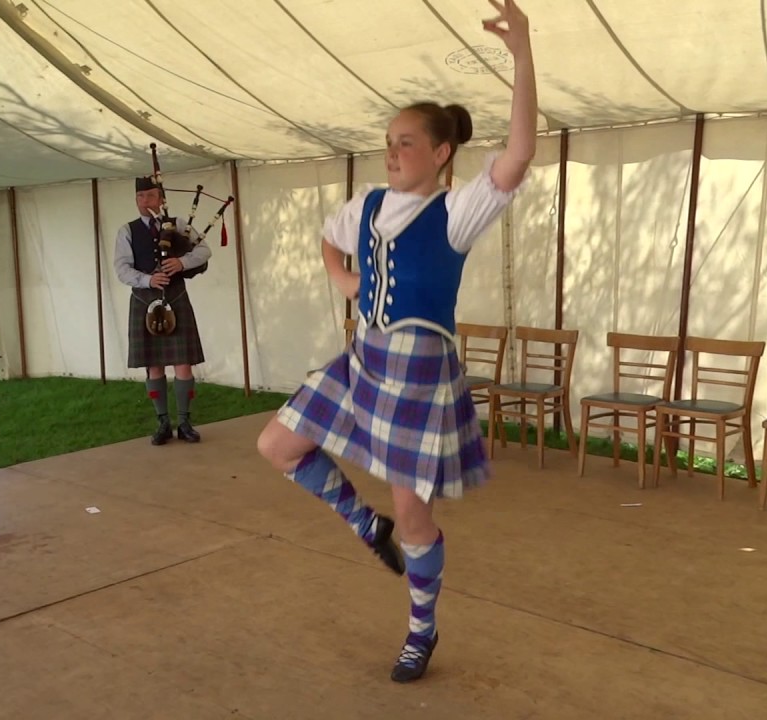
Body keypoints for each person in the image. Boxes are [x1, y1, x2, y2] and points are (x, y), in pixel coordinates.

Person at [255, 0, 537, 684]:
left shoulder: (457, 211)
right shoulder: (367, 207)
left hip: (419, 376)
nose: (392, 152)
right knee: (277, 445)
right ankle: (362, 524)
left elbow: (521, 150)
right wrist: (341, 279)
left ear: (441, 154)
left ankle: (421, 629)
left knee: (416, 516)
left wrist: (523, 51)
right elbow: (328, 236)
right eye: (388, 141)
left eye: (406, 142)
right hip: (365, 361)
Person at [113, 175, 213, 446]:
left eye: (150, 196)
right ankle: (163, 423)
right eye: (140, 197)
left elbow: (204, 250)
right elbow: (122, 268)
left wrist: (182, 262)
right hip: (145, 301)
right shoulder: (127, 231)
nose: (145, 202)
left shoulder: (178, 224)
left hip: (176, 296)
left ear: (161, 199)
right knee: (153, 364)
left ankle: (185, 422)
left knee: (183, 363)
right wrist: (147, 279)